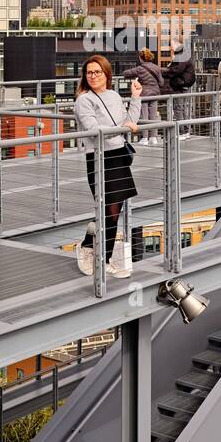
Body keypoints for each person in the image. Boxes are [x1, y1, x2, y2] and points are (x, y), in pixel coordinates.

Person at [73, 55, 142, 277]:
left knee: (114, 211)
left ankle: (104, 258)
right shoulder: (83, 100)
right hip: (99, 157)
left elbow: (129, 120)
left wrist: (136, 97)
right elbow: (95, 130)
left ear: (106, 74)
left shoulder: (113, 95)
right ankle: (89, 248)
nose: (93, 76)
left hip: (118, 155)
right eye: (89, 72)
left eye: (97, 72)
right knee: (106, 210)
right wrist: (124, 129)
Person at [122, 48, 166, 146]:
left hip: (144, 94)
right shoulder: (157, 67)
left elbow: (125, 73)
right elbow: (161, 82)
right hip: (155, 94)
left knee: (144, 115)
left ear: (141, 58)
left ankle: (145, 138)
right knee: (153, 116)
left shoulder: (140, 69)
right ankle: (153, 137)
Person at [165, 41, 196, 141]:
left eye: (171, 47)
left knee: (178, 109)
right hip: (184, 85)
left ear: (176, 47)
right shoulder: (185, 55)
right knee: (183, 109)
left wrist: (165, 71)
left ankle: (182, 132)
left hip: (180, 86)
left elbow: (176, 70)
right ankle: (186, 131)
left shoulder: (180, 56)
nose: (171, 49)